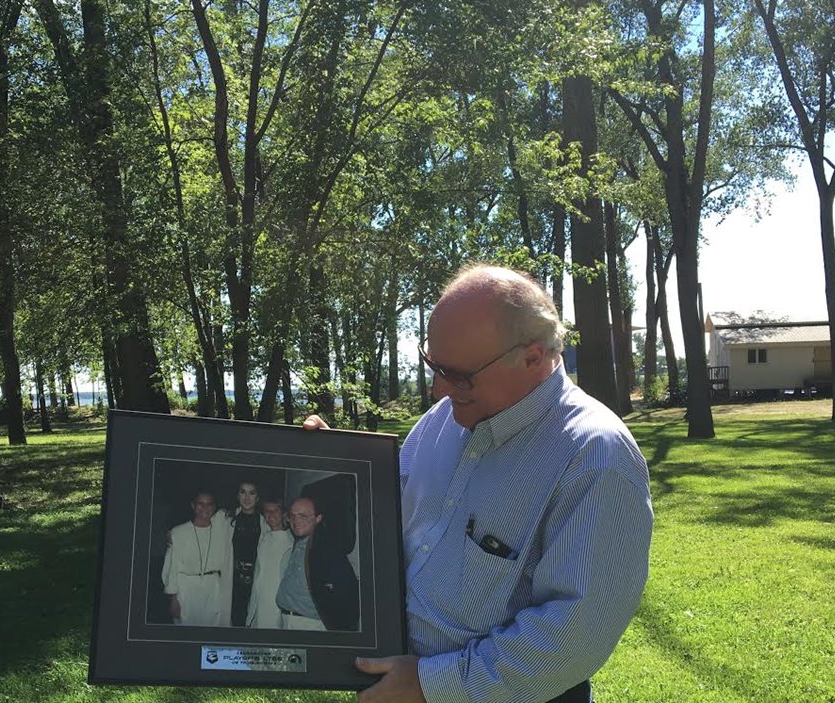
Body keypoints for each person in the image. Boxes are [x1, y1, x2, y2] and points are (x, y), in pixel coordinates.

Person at [305, 264, 653, 703]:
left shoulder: (595, 457)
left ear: (532, 358)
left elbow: (572, 638)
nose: (437, 390)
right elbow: (391, 517)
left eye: (458, 375)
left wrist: (432, 684)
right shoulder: (444, 419)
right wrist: (334, 465)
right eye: (434, 367)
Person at [275, 496, 359, 632]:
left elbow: (345, 595)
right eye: (293, 515)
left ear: (318, 518)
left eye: (303, 515)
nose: (296, 520)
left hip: (307, 624)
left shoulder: (326, 550)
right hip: (286, 620)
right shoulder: (298, 542)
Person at [161, 490, 231, 626]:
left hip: (213, 590)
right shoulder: (178, 532)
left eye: (209, 504)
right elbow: (171, 567)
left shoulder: (222, 528)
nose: (205, 507)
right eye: (201, 503)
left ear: (214, 508)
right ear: (193, 505)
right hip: (186, 591)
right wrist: (173, 600)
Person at [246, 498, 293, 629]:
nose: (270, 514)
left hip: (277, 604)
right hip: (259, 601)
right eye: (267, 511)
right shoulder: (264, 539)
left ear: (284, 514)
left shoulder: (291, 543)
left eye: (275, 510)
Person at [227, 481, 264, 626]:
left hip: (255, 580)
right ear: (237, 496)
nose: (247, 497)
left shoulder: (266, 522)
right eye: (243, 492)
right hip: (233, 581)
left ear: (258, 498)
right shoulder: (226, 518)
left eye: (252, 493)